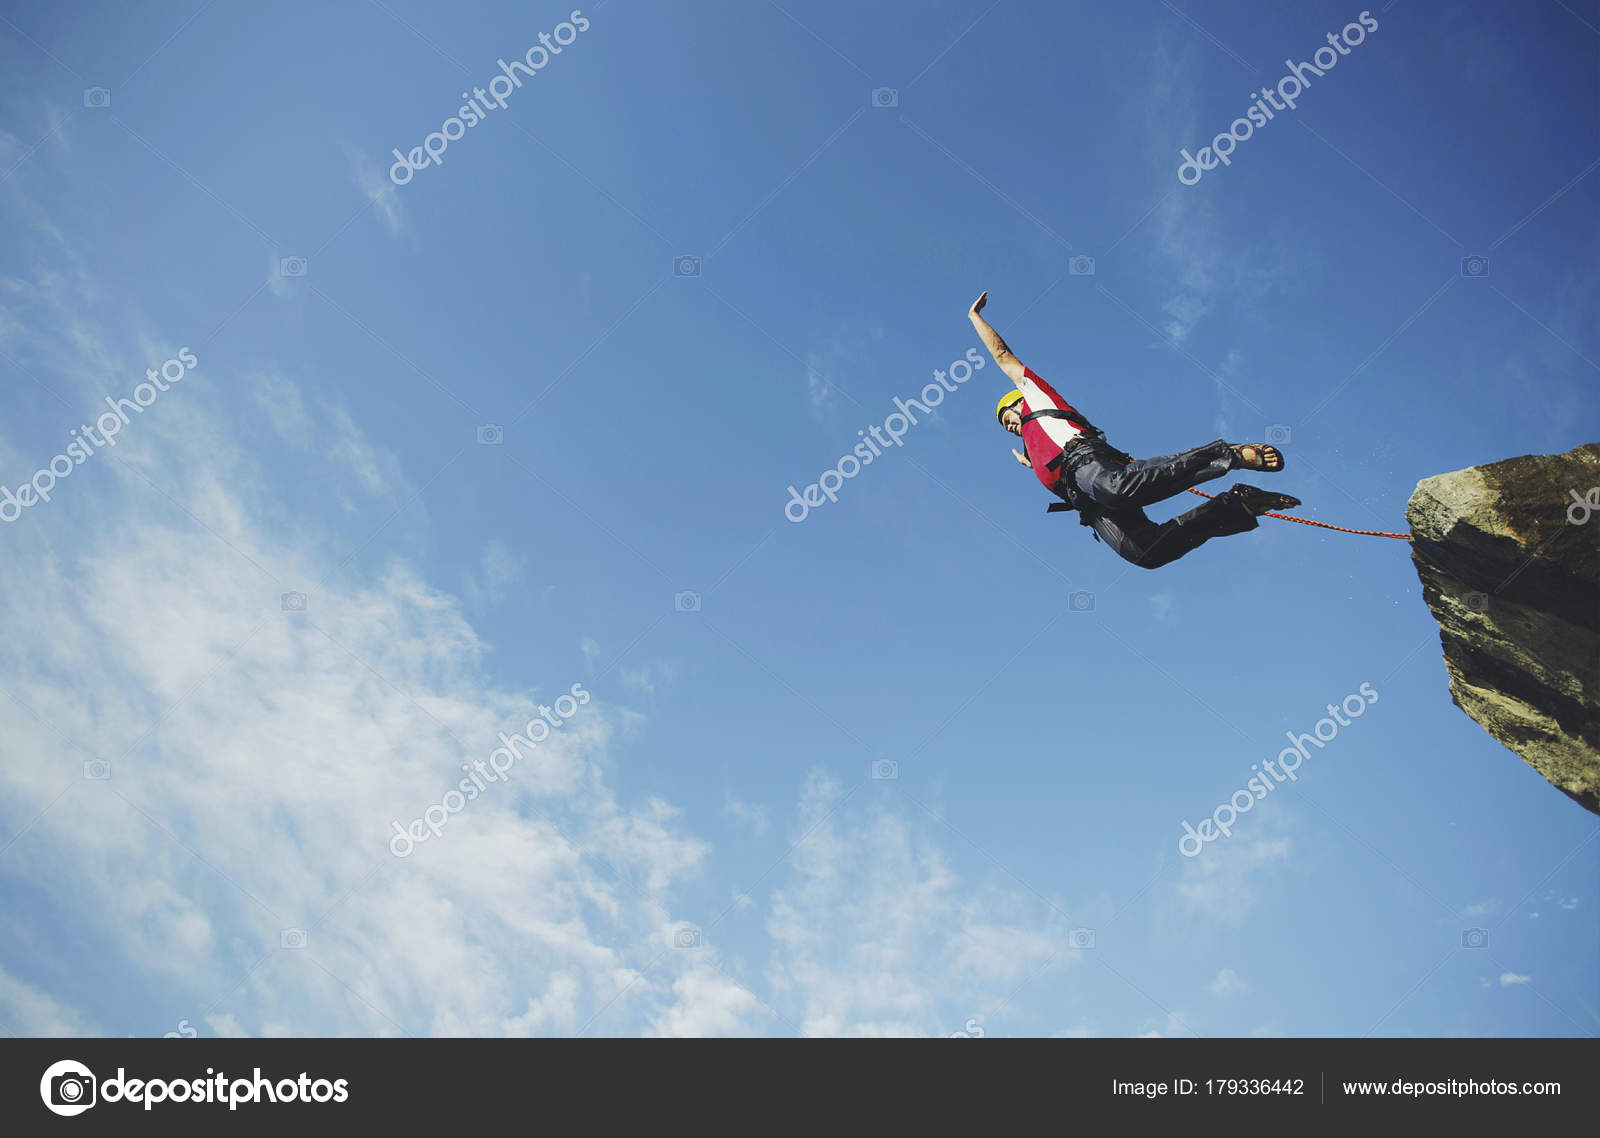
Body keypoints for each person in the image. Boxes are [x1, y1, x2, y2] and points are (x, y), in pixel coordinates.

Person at [969, 291, 1301, 569]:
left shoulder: (1036, 396)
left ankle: (1229, 455)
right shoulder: (1032, 443)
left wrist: (975, 317)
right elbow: (1043, 455)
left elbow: (1002, 355)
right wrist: (1030, 462)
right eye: (1005, 426)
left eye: (1007, 415)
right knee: (1147, 553)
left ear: (1020, 400)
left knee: (1117, 488)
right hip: (1090, 504)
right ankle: (1238, 506)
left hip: (1086, 466)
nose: (1008, 425)